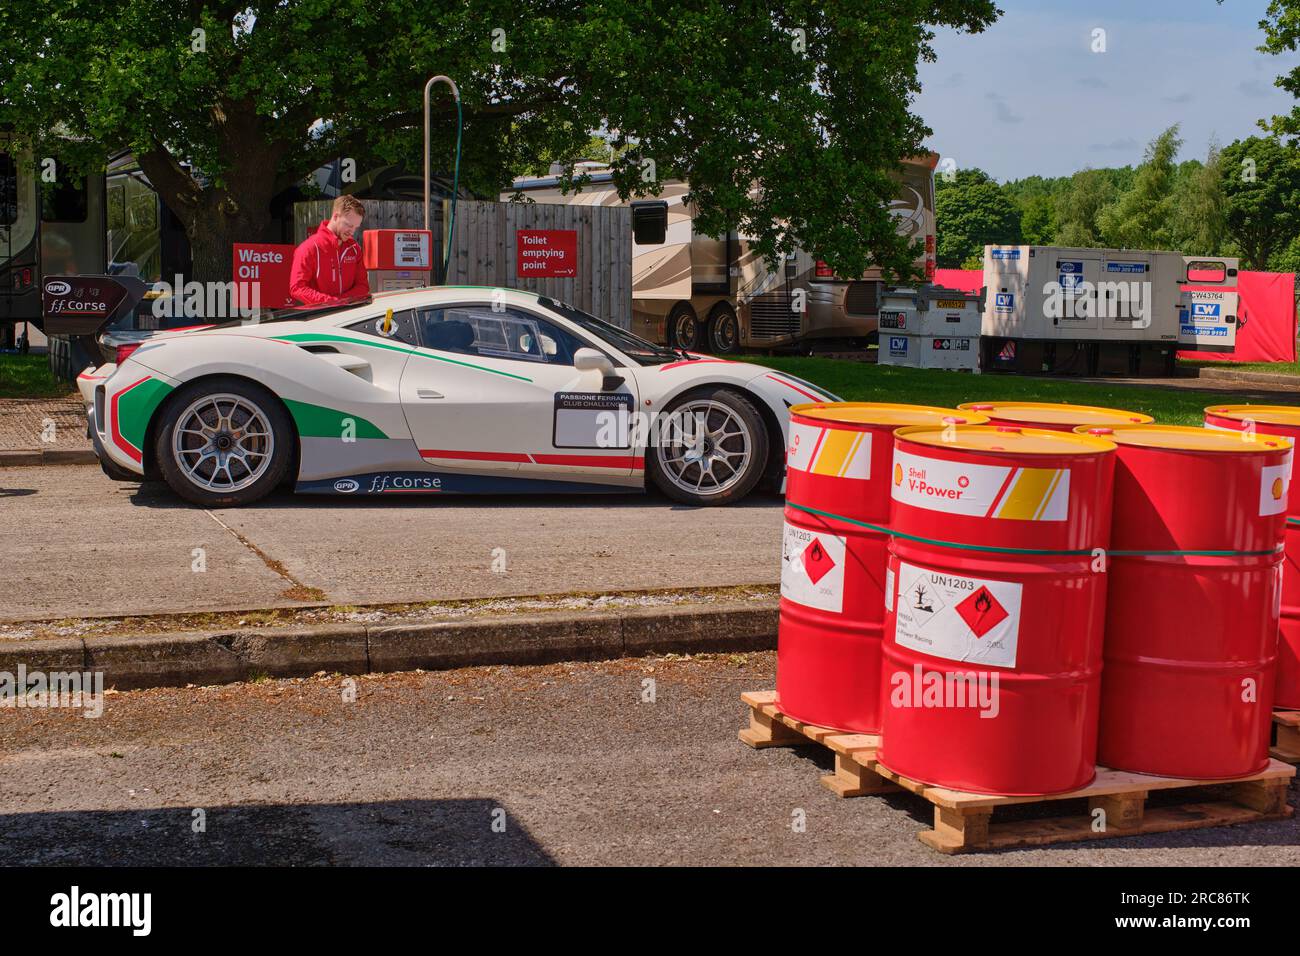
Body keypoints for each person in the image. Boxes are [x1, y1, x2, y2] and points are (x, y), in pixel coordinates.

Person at [289, 195, 370, 306]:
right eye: (349, 225)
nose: (352, 232)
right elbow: (297, 288)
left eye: (356, 227)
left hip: (350, 315)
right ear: (336, 216)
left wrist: (340, 302)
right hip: (319, 317)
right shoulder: (309, 248)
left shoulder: (354, 248)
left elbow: (363, 286)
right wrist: (331, 303)